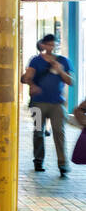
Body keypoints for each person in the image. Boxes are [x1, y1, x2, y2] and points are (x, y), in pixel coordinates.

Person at [23, 33, 73, 176]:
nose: (52, 47)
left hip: (57, 104)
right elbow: (27, 77)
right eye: (49, 44)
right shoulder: (35, 61)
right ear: (43, 45)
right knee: (39, 131)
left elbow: (71, 81)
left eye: (54, 44)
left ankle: (63, 165)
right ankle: (38, 161)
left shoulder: (64, 60)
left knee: (59, 132)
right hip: (38, 103)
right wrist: (32, 84)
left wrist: (60, 70)